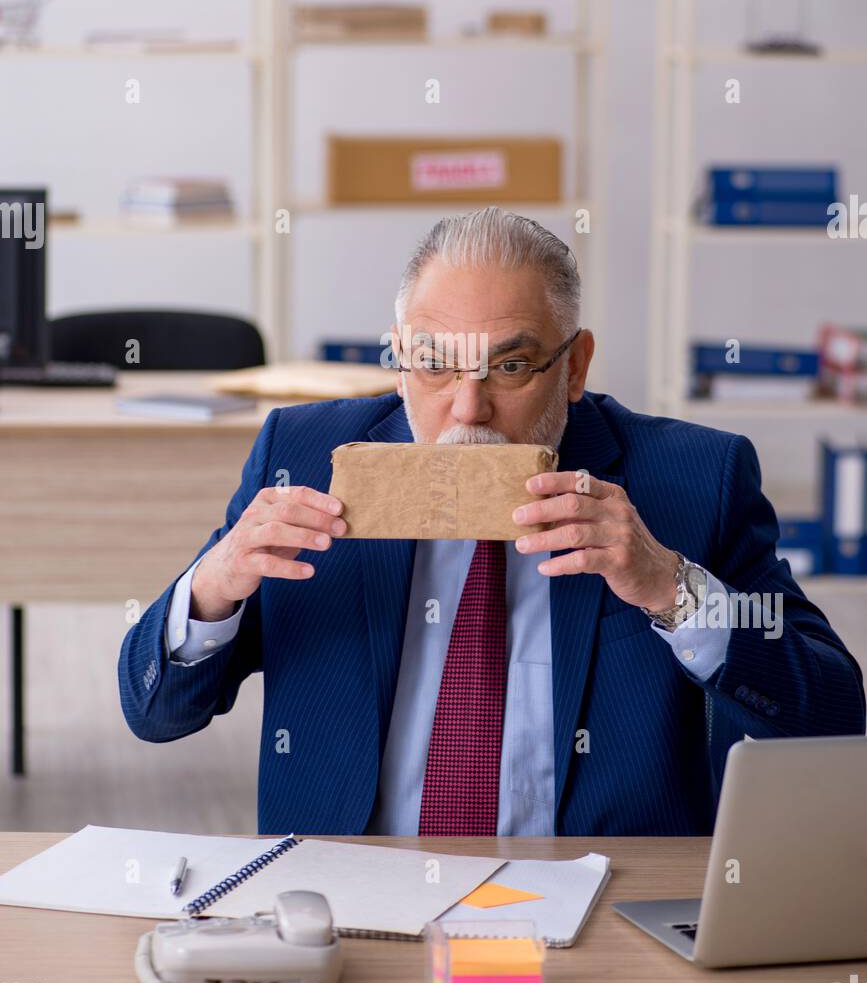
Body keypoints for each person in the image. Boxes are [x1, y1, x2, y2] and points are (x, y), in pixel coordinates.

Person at [118, 208, 865, 835]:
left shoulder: (694, 479)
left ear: (574, 368)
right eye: (434, 365)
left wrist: (672, 588)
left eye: (508, 368)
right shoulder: (304, 453)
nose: (467, 408)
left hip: (603, 896)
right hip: (350, 890)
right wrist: (214, 586)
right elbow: (154, 711)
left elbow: (830, 719)